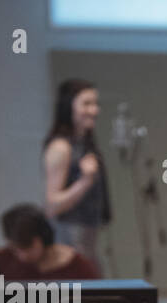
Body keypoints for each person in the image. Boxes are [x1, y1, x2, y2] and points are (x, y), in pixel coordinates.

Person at [42, 78, 110, 272]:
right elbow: (52, 206)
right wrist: (85, 181)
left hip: (87, 242)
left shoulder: (85, 145)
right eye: (86, 104)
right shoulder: (61, 148)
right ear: (68, 106)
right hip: (67, 246)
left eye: (95, 104)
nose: (94, 110)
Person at [0, 203, 101, 280]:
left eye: (27, 246)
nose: (22, 256)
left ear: (43, 237)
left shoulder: (80, 267)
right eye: (15, 249)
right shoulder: (5, 258)